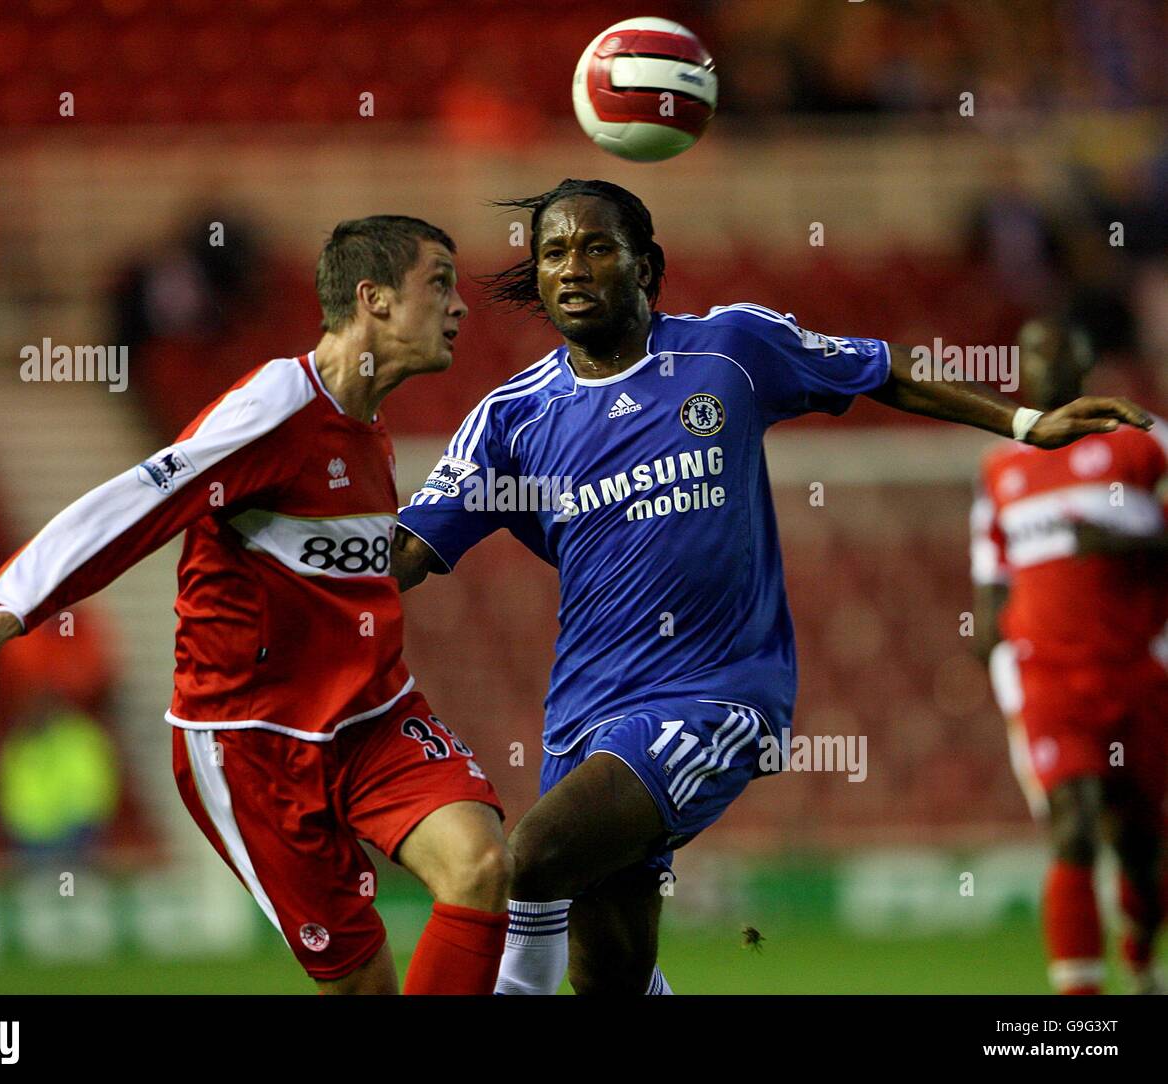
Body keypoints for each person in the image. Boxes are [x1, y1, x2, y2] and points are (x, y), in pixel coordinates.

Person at [391, 178, 1152, 995]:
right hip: (583, 715)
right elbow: (408, 548)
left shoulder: (732, 350)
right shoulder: (513, 418)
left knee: (533, 858)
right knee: (612, 977)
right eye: (552, 252)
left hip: (720, 695)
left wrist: (1024, 424)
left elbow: (881, 371)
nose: (572, 267)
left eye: (596, 247)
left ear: (647, 266)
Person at [0, 216, 512, 995]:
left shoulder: (367, 433)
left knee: (481, 864)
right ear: (372, 299)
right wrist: (12, 606)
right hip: (251, 741)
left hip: (372, 714)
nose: (459, 306)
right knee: (362, 985)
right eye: (437, 283)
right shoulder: (277, 405)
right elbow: (143, 499)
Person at [971, 316, 1168, 995]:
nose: (1041, 362)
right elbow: (991, 577)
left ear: (1086, 359)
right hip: (1047, 676)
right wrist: (989, 634)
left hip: (1137, 672)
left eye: (1056, 347)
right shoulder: (1002, 467)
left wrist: (1124, 544)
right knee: (1073, 829)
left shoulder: (1142, 445)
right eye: (1030, 351)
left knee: (1143, 849)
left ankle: (1141, 958)